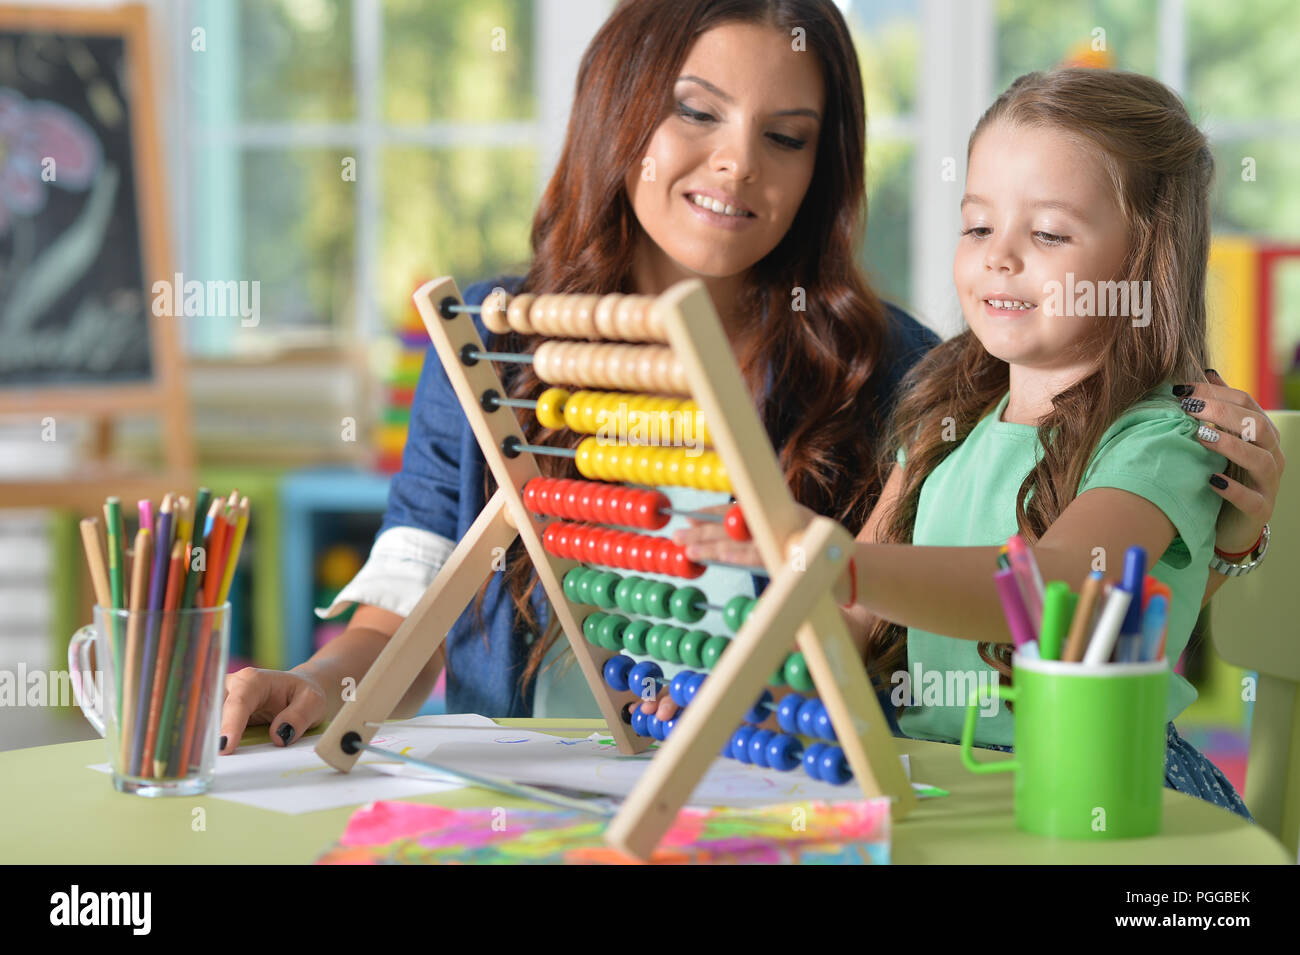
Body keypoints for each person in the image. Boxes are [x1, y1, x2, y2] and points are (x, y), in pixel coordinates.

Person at [218, 4, 1284, 768]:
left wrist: (1238, 539)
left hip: (793, 791)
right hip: (538, 793)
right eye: (696, 113)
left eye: (786, 138)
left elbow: (1061, 557)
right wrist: (318, 687)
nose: (737, 165)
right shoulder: (496, 344)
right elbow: (408, 595)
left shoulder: (895, 373)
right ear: (617, 111)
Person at [678, 68, 1285, 820]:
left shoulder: (1163, 438)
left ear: (1144, 264)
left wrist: (843, 566)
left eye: (1049, 233)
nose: (999, 256)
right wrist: (753, 660)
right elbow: (857, 621)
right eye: (977, 225)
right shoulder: (945, 416)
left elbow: (1058, 585)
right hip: (940, 771)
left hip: (1100, 790)